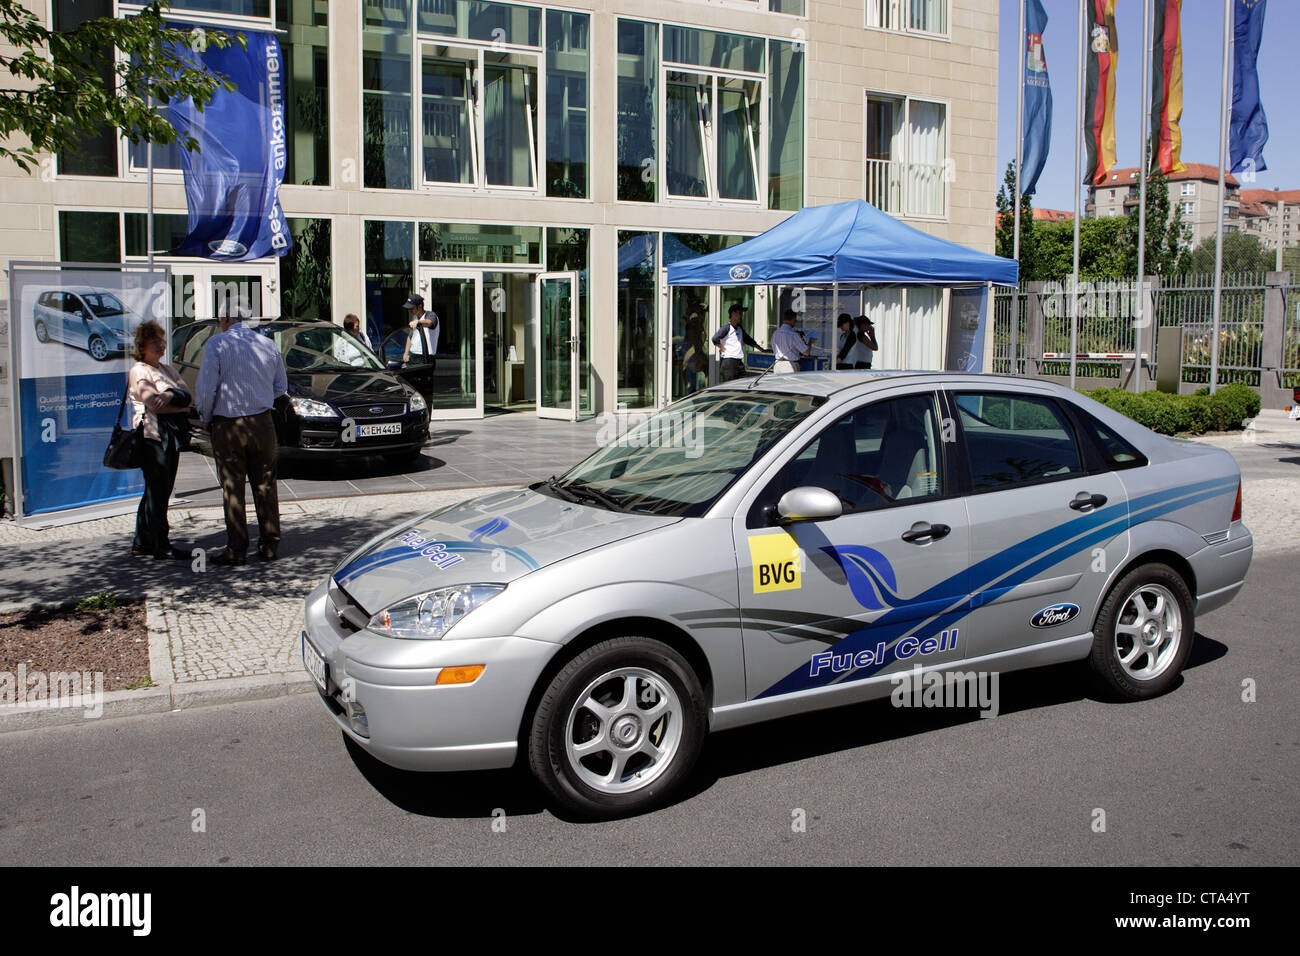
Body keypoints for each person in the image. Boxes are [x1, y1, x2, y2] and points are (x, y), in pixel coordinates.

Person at [195, 308, 289, 566]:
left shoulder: (217, 344)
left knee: (232, 486)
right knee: (266, 484)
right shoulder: (267, 344)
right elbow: (281, 387)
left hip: (229, 423)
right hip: (262, 422)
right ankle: (270, 544)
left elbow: (206, 388)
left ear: (224, 320)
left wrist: (205, 416)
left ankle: (236, 549)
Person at [127, 320, 192, 560]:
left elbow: (189, 398)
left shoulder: (167, 370)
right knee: (157, 491)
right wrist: (178, 406)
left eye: (162, 341)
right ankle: (160, 543)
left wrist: (171, 397)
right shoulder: (139, 370)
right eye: (155, 342)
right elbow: (152, 403)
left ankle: (142, 542)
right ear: (142, 346)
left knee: (158, 491)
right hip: (152, 438)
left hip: (170, 437)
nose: (161, 345)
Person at [711, 303, 770, 382]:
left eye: (741, 314)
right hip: (729, 362)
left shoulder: (739, 328)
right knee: (729, 386)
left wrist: (762, 350)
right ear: (733, 314)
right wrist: (721, 347)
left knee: (744, 382)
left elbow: (748, 340)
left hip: (738, 361)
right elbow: (715, 338)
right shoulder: (727, 327)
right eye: (739, 313)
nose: (741, 316)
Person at [400, 293, 440, 370]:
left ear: (420, 306)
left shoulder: (430, 315)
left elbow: (429, 322)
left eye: (412, 308)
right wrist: (406, 353)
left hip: (425, 358)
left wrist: (419, 322)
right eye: (408, 308)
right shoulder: (415, 319)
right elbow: (410, 337)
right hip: (413, 356)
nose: (409, 311)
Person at [771, 309, 812, 374]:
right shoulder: (793, 334)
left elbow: (774, 349)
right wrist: (810, 342)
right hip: (790, 366)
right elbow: (806, 352)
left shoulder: (775, 333)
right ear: (793, 319)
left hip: (777, 365)